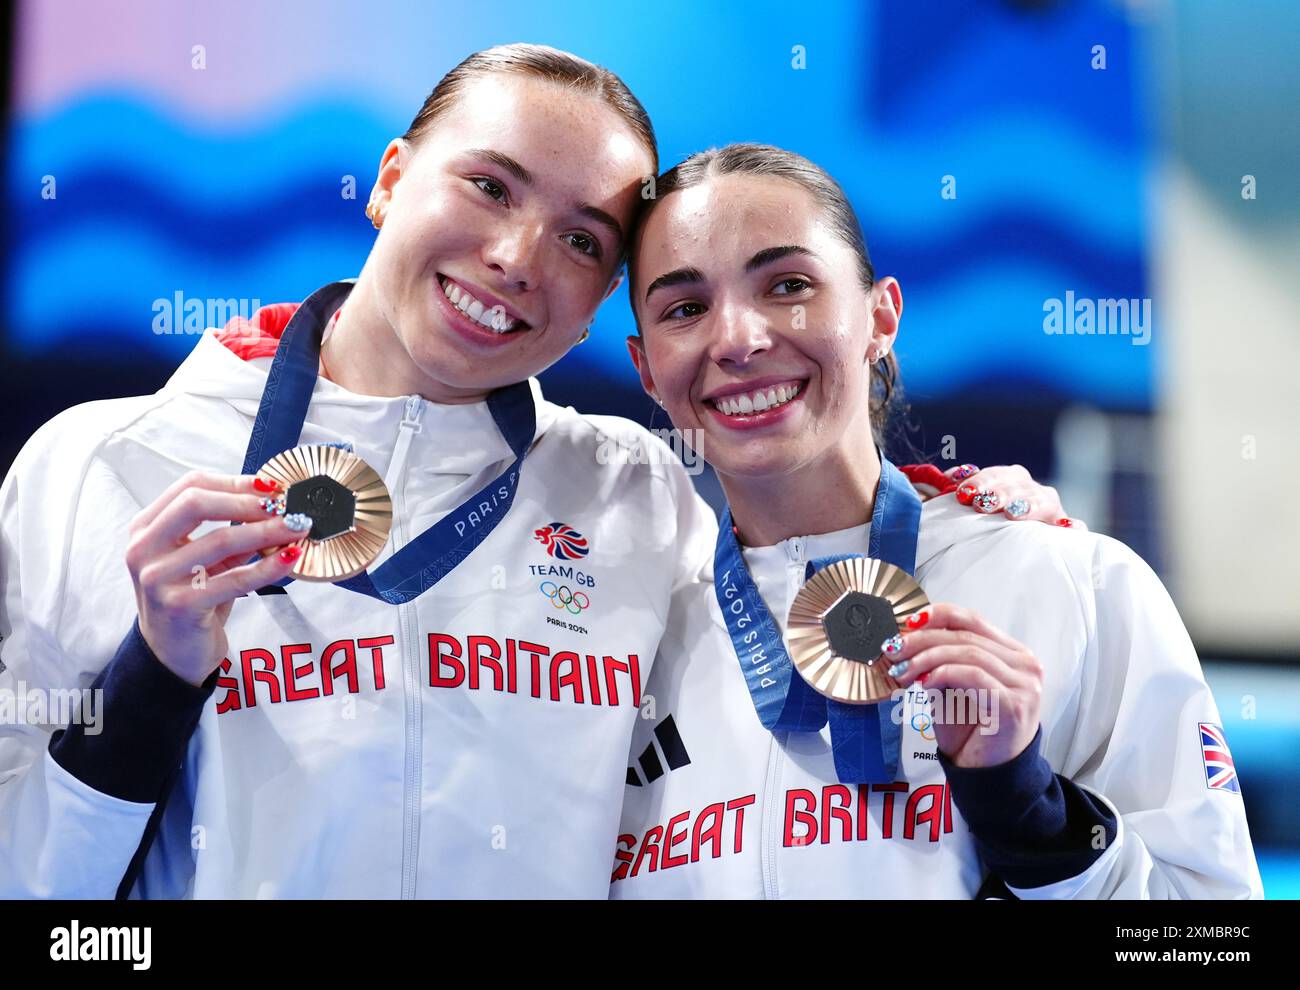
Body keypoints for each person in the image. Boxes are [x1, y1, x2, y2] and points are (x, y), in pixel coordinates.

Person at [0, 45, 1067, 900]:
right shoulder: (102, 467)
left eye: (581, 239)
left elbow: (820, 523)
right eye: (488, 185)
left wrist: (977, 512)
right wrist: (147, 682)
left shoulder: (645, 493)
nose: (517, 257)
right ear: (389, 180)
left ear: (607, 296)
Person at [610, 143, 1263, 899]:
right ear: (647, 368)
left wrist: (1037, 821)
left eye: (787, 284)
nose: (738, 340)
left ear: (879, 317)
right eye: (685, 308)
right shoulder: (632, 644)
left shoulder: (1073, 583)